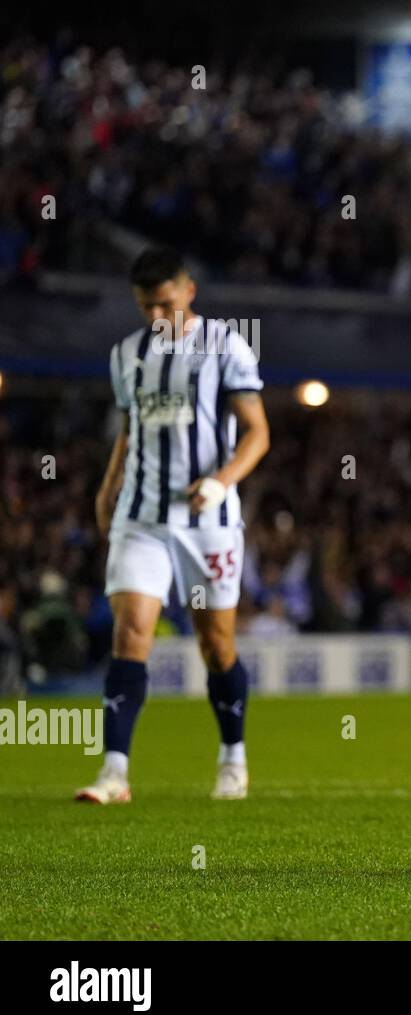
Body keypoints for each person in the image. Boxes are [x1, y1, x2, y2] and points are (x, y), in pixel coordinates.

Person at [77, 246, 270, 803]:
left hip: (208, 519)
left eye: (165, 305)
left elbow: (258, 432)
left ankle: (233, 757)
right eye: (146, 308)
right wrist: (109, 485)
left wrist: (221, 480)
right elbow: (129, 428)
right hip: (142, 516)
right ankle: (114, 773)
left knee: (217, 645)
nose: (157, 319)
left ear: (189, 291)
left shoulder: (227, 346)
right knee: (131, 630)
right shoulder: (126, 355)